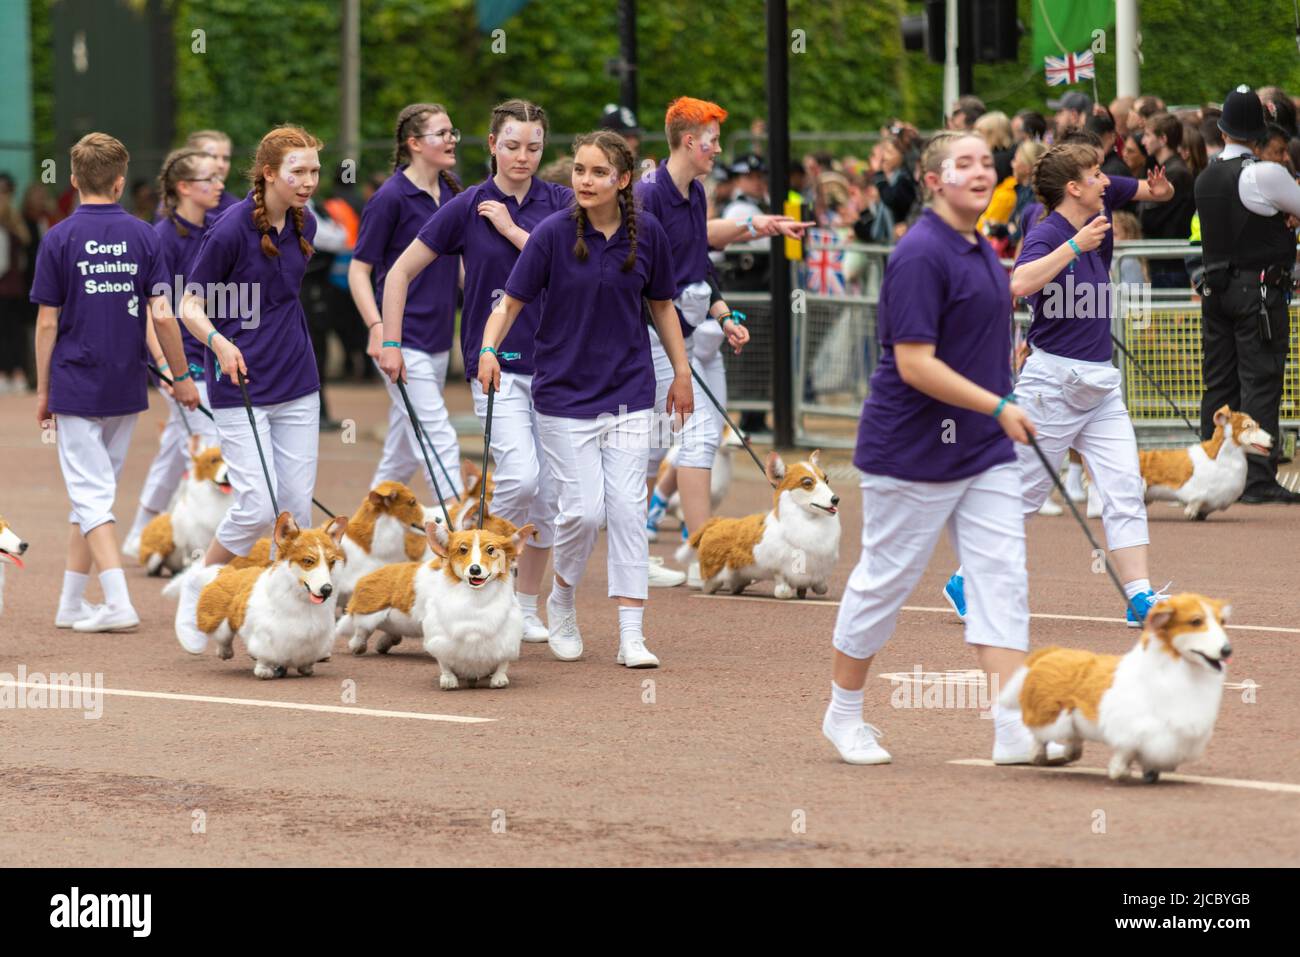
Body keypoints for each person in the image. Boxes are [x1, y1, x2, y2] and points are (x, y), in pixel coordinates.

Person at [822, 131, 1060, 767]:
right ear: (933, 181)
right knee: (886, 582)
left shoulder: (980, 246)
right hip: (912, 449)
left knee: (1001, 579)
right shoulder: (920, 253)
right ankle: (843, 713)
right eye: (965, 163)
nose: (981, 171)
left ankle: (1013, 724)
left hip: (981, 449)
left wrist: (1003, 377)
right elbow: (915, 365)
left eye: (987, 161)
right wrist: (1000, 405)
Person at [478, 130, 693, 668]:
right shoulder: (551, 234)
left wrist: (681, 374)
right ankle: (563, 599)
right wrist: (487, 349)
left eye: (598, 172)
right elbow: (511, 303)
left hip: (628, 393)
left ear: (622, 180)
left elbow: (663, 307)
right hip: (563, 398)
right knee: (581, 513)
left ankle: (631, 633)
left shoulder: (649, 237)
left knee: (625, 510)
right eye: (579, 170)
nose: (585, 181)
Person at [947, 142, 1171, 628]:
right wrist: (1074, 247)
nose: (1106, 180)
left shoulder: (1102, 205)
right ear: (1074, 188)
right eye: (1095, 174)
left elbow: (1137, 187)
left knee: (1124, 485)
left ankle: (1139, 596)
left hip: (1099, 382)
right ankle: (965, 578)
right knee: (1024, 494)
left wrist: (1158, 191)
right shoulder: (1047, 232)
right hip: (1052, 383)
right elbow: (1017, 284)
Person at [382, 98, 572, 635]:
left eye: (534, 147)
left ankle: (524, 604)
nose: (523, 156)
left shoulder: (559, 200)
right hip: (497, 364)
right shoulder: (466, 205)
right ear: (491, 144)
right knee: (522, 475)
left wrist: (512, 229)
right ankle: (465, 537)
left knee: (553, 498)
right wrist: (390, 341)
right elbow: (398, 273)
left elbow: (568, 263)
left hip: (559, 366)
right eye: (512, 145)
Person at [31, 132, 199, 633]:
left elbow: (46, 324)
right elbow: (164, 316)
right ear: (121, 182)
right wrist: (179, 374)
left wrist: (43, 391)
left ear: (75, 180)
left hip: (77, 383)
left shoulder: (58, 237)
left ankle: (119, 602)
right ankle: (70, 602)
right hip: (125, 384)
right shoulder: (146, 235)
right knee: (94, 495)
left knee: (90, 495)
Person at [171, 125, 327, 651]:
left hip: (298, 380)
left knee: (296, 512)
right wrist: (218, 343)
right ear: (268, 173)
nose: (308, 181)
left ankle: (293, 626)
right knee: (259, 505)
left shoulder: (302, 221)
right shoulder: (232, 228)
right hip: (240, 381)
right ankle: (202, 581)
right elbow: (188, 304)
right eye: (298, 172)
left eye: (314, 171)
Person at [636, 99, 758, 588]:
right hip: (648, 332)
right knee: (697, 433)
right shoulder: (649, 194)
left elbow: (698, 265)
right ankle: (705, 552)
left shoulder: (696, 192)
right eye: (713, 139)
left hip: (673, 330)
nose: (718, 148)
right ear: (690, 141)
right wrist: (677, 339)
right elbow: (642, 275)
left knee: (649, 445)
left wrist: (724, 315)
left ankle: (641, 549)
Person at [349, 103, 465, 507]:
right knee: (437, 434)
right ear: (414, 143)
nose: (451, 139)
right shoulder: (390, 197)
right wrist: (379, 329)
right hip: (403, 340)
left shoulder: (453, 189)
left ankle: (360, 537)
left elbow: (461, 265)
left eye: (453, 131)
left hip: (437, 342)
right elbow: (358, 270)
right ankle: (459, 528)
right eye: (441, 133)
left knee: (399, 455)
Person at [1195, 85, 1300, 504]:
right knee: (1259, 381)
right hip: (1258, 291)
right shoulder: (1266, 173)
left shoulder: (1206, 176)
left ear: (1222, 132)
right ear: (1258, 135)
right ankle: (1257, 478)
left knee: (1218, 383)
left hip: (1215, 289)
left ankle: (1213, 470)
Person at [123, 147, 226, 559]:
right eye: (210, 179)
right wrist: (166, 367)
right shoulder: (161, 236)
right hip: (180, 362)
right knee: (209, 447)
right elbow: (152, 308)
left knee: (176, 451)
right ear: (183, 187)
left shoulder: (218, 227)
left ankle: (141, 530)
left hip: (213, 357)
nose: (221, 184)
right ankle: (203, 546)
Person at [1139, 113, 1197, 288]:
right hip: (1164, 261)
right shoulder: (1169, 169)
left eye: (1148, 135)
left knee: (1165, 314)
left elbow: (1149, 218)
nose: (1143, 141)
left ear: (1163, 139)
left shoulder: (1176, 173)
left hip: (1169, 264)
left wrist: (1142, 208)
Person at [0, 173, 30, 394]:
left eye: (6, 191)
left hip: (13, 287)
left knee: (15, 331)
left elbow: (26, 242)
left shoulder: (15, 219)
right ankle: (2, 373)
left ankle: (18, 372)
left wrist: (10, 219)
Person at [186, 129, 242, 221]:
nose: (221, 165)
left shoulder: (236, 209)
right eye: (212, 157)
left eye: (226, 158)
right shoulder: (173, 206)